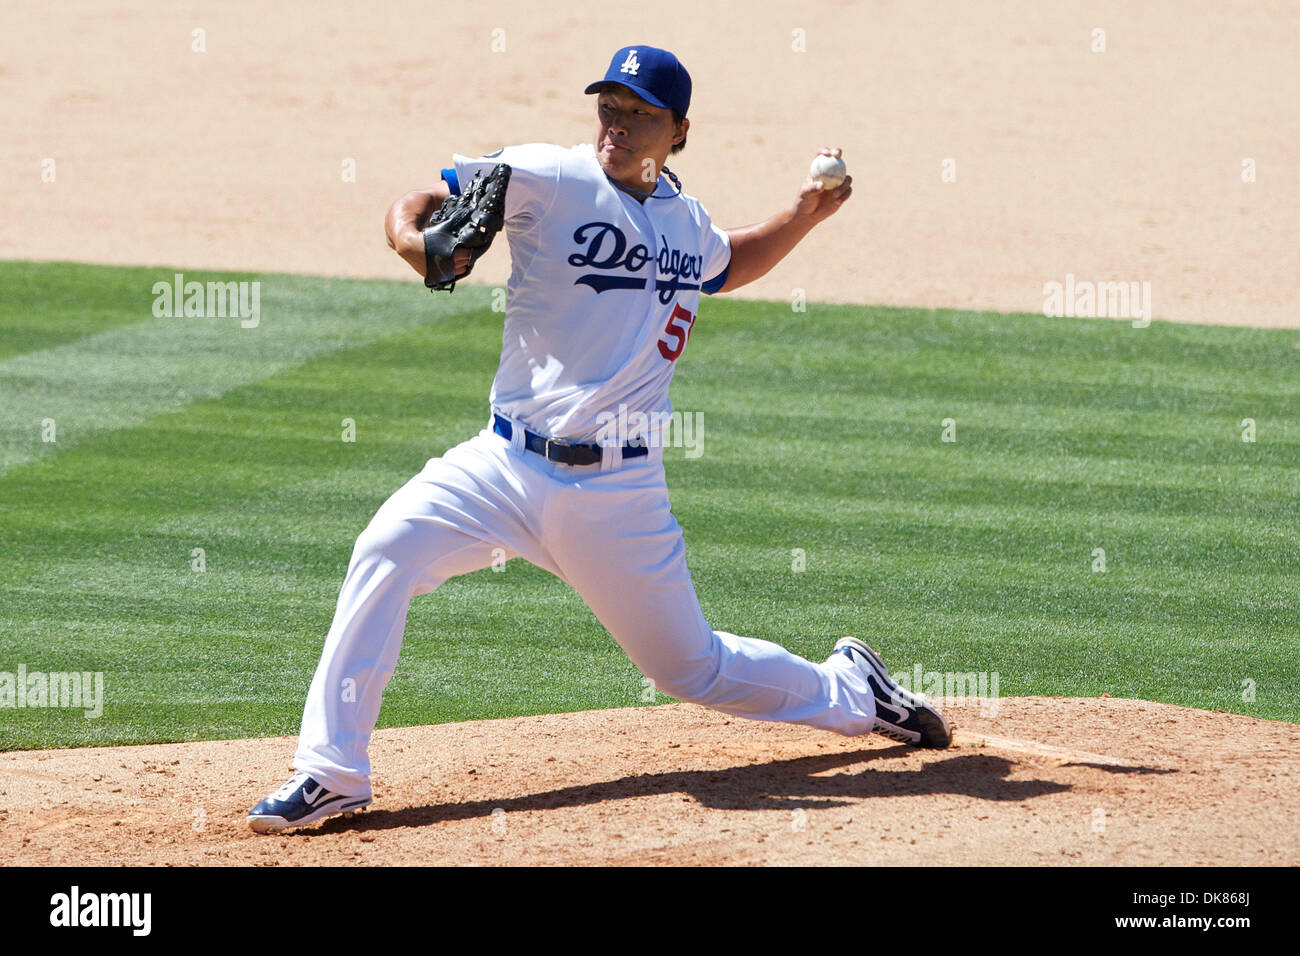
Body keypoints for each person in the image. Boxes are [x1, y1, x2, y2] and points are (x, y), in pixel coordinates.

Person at [248, 44, 951, 834]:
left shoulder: (687, 224)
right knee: (385, 548)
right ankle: (330, 772)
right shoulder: (548, 175)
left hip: (617, 493)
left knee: (691, 669)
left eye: (638, 112)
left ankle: (857, 692)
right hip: (501, 463)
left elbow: (726, 264)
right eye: (608, 107)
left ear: (678, 129)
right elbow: (422, 197)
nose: (616, 124)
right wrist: (415, 240)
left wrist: (804, 215)